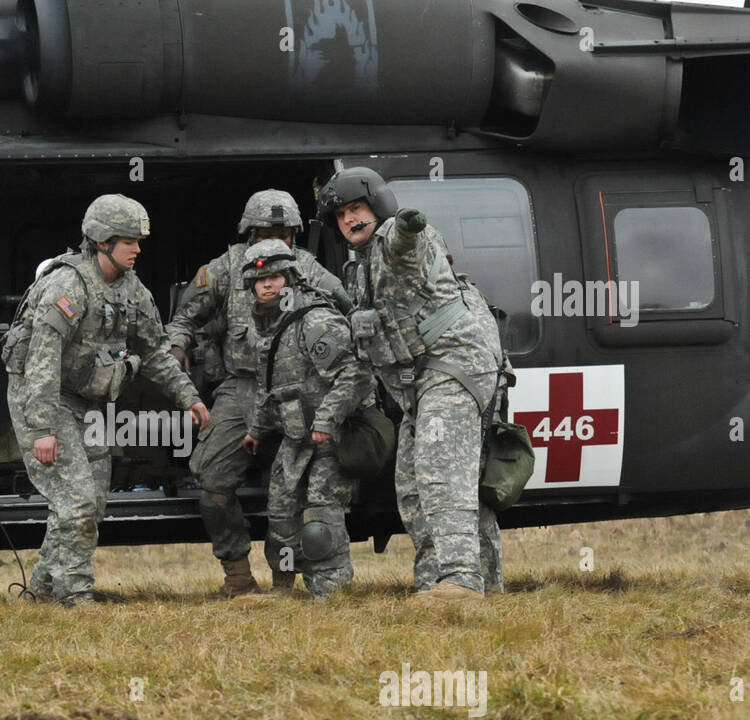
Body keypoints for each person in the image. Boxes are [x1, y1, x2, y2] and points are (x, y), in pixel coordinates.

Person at [2, 195, 210, 606]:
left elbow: (154, 351)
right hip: (43, 397)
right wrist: (42, 430)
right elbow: (41, 362)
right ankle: (74, 597)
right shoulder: (68, 285)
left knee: (91, 504)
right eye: (129, 240)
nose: (138, 249)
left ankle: (43, 590)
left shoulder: (133, 290)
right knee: (75, 501)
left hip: (86, 402)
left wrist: (190, 398)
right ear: (102, 241)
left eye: (138, 241)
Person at [316, 166, 505, 601]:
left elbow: (407, 242)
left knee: (440, 472)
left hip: (454, 365)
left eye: (357, 208)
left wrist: (406, 225)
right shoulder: (358, 270)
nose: (351, 219)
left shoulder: (393, 240)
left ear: (378, 206)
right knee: (412, 484)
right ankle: (445, 583)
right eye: (342, 214)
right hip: (420, 384)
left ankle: (460, 582)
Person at [166, 190, 347, 596]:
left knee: (295, 489)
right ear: (249, 232)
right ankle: (238, 577)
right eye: (266, 230)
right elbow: (184, 318)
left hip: (295, 389)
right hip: (242, 386)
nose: (275, 239)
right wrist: (177, 347)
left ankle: (285, 580)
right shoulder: (226, 267)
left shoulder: (306, 268)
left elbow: (345, 305)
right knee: (212, 481)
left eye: (283, 232)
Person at [240, 239, 360, 599]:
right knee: (281, 517)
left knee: (320, 521)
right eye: (259, 280)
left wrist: (326, 420)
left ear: (291, 278)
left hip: (330, 441)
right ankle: (284, 589)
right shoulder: (269, 325)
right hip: (294, 441)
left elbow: (355, 374)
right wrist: (258, 429)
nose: (267, 285)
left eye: (275, 276)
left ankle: (329, 593)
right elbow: (271, 386)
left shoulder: (314, 319)